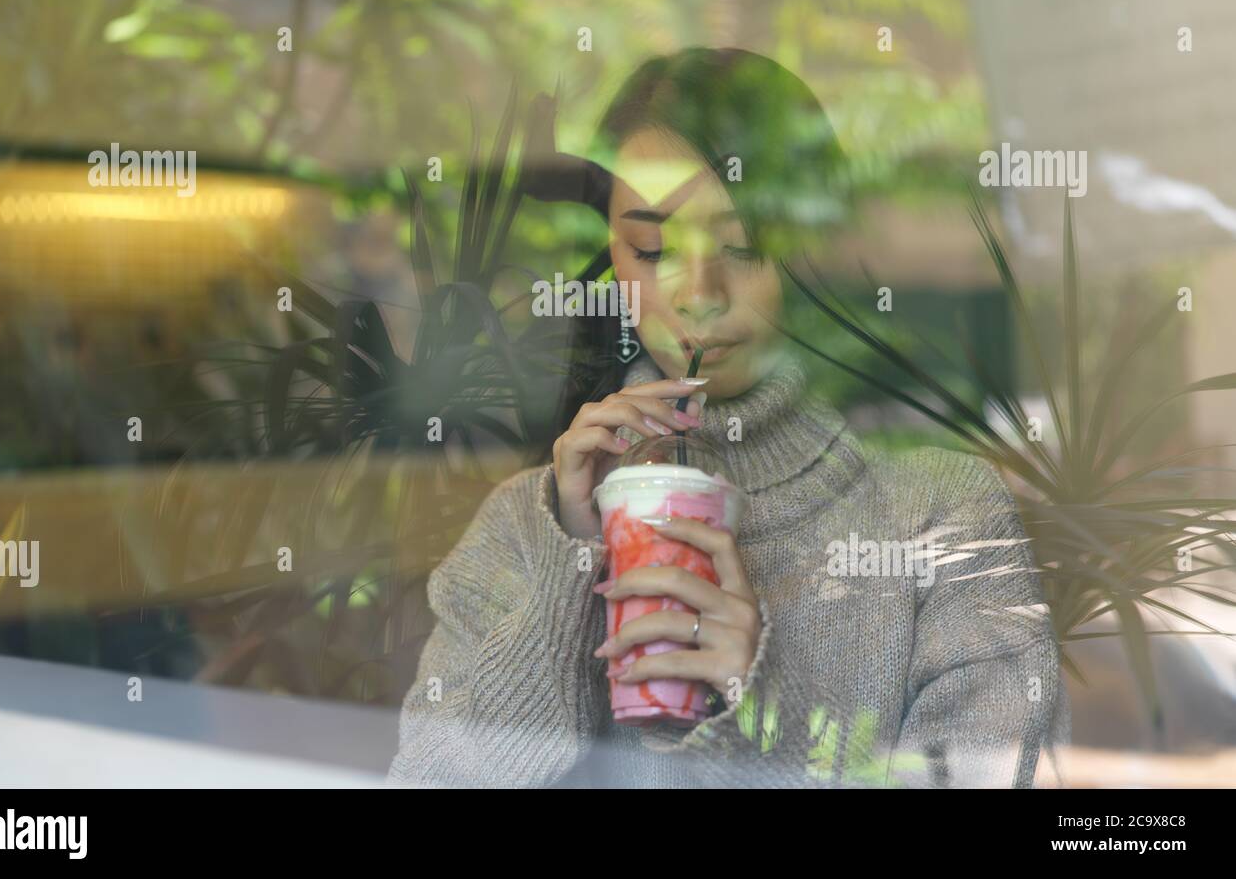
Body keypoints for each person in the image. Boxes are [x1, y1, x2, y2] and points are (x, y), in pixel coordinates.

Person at [387, 47, 1069, 788]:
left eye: (743, 244)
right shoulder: (531, 525)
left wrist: (764, 727)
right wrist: (571, 568)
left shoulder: (941, 513)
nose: (699, 291)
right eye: (651, 248)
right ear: (615, 257)